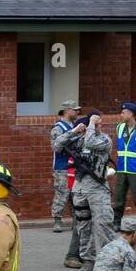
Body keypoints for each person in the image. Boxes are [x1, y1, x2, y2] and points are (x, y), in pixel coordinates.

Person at [54, 110, 114, 271]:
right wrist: (74, 130)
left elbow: (90, 143)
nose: (99, 125)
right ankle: (88, 262)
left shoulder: (104, 140)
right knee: (83, 228)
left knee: (103, 227)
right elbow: (57, 145)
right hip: (80, 190)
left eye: (98, 122)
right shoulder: (79, 139)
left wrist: (91, 125)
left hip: (98, 191)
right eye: (96, 122)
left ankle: (108, 265)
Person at [50, 100, 79, 235]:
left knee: (76, 193)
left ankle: (76, 220)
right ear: (67, 111)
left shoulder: (74, 125)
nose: (77, 112)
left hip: (75, 165)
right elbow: (56, 146)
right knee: (62, 193)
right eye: (74, 110)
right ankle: (57, 220)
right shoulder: (58, 127)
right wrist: (73, 132)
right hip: (62, 166)